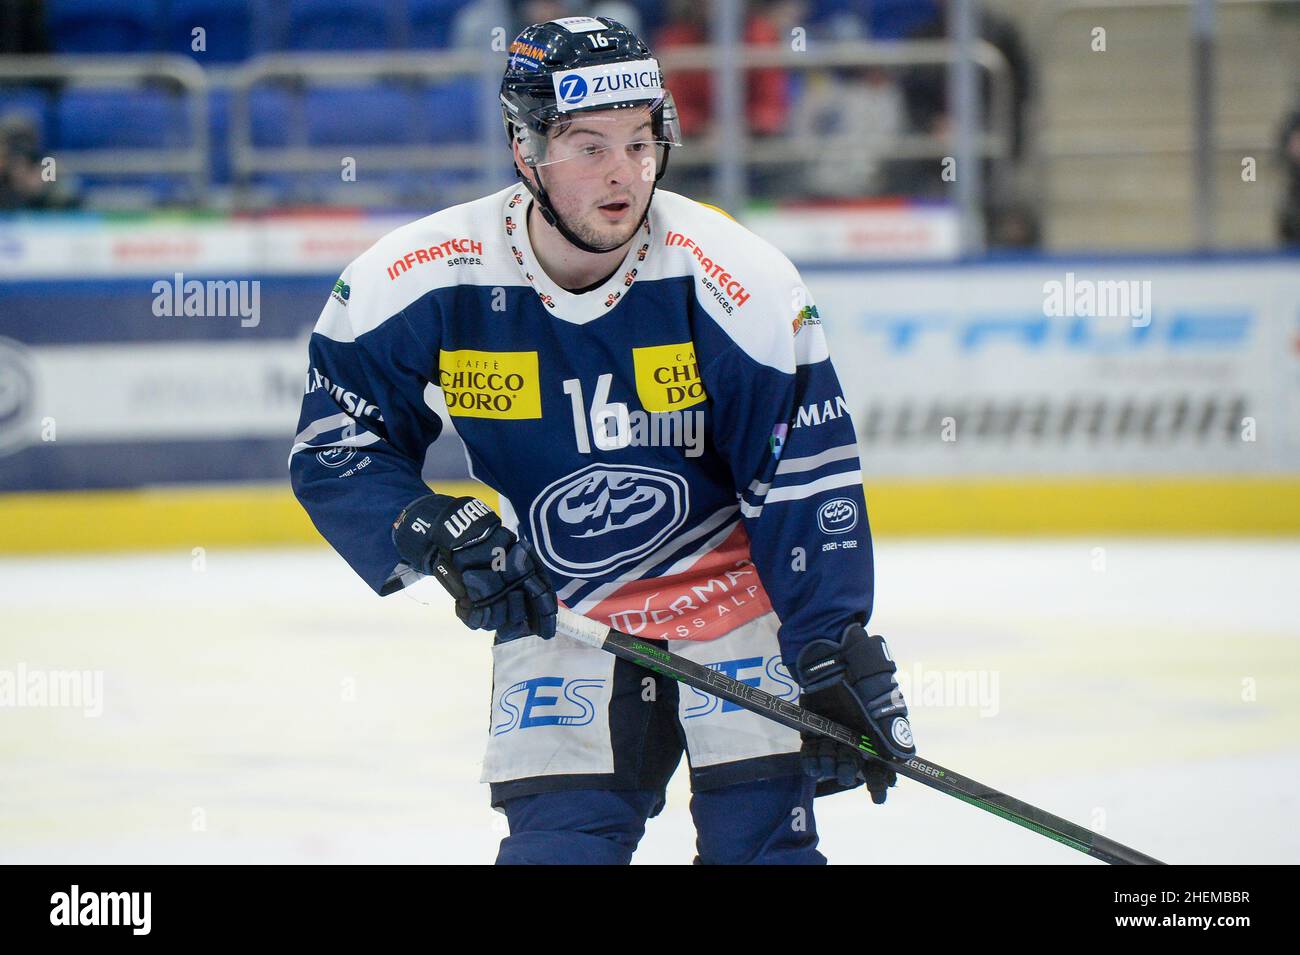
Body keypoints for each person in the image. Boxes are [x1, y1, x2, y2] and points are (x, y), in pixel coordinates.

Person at [290, 15, 914, 865]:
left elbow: (800, 476)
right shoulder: (419, 276)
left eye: (640, 140)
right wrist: (429, 530)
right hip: (567, 612)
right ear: (525, 150)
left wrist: (831, 645)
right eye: (589, 147)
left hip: (739, 611)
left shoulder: (737, 278)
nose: (625, 174)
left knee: (763, 852)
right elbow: (339, 442)